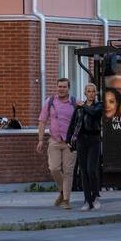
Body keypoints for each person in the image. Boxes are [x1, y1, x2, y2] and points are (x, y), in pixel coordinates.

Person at [37, 77, 78, 208]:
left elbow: (84, 116)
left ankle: (66, 200)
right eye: (59, 86)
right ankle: (62, 190)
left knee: (68, 171)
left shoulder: (74, 102)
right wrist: (40, 140)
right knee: (54, 168)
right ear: (57, 87)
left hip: (70, 143)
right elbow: (42, 121)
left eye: (64, 87)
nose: (61, 89)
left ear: (68, 88)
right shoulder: (50, 102)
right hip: (54, 140)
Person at [72, 81, 104, 211]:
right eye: (88, 91)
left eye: (93, 91)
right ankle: (87, 200)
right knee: (83, 171)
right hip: (81, 140)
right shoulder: (79, 108)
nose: (91, 93)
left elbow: (93, 113)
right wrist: (70, 138)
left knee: (91, 169)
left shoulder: (99, 105)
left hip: (94, 140)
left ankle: (95, 195)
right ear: (85, 93)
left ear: (96, 93)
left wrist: (83, 105)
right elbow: (74, 123)